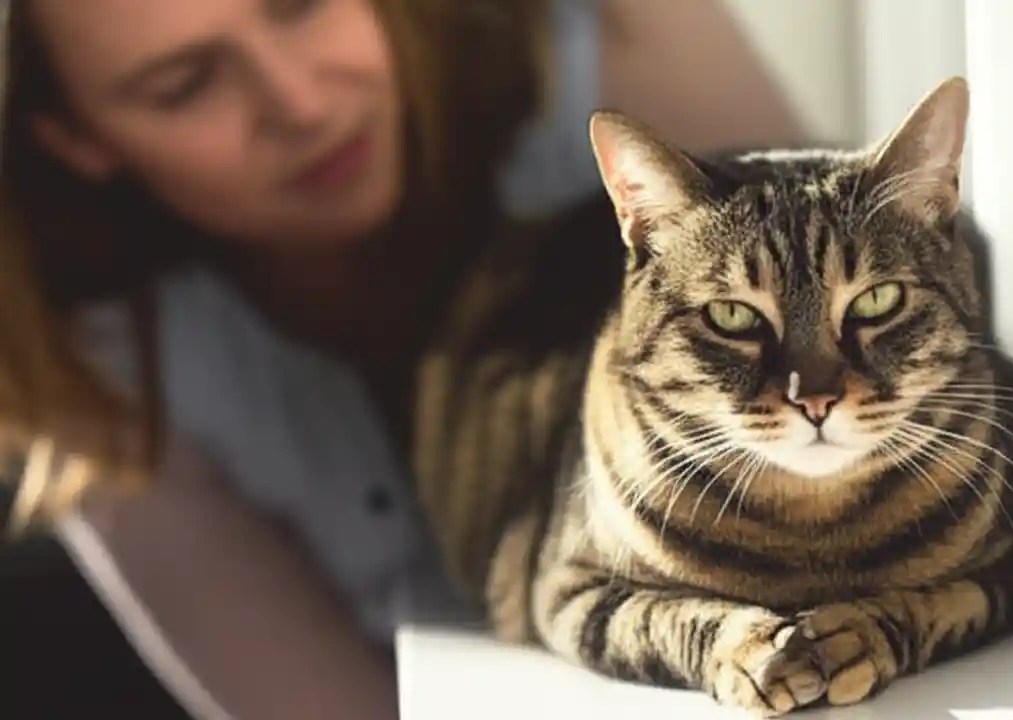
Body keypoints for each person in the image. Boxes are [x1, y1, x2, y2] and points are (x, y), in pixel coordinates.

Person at [0, 0, 804, 717]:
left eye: (299, 4)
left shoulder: (618, 34)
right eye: (184, 86)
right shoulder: (93, 375)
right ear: (74, 137)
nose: (299, 103)